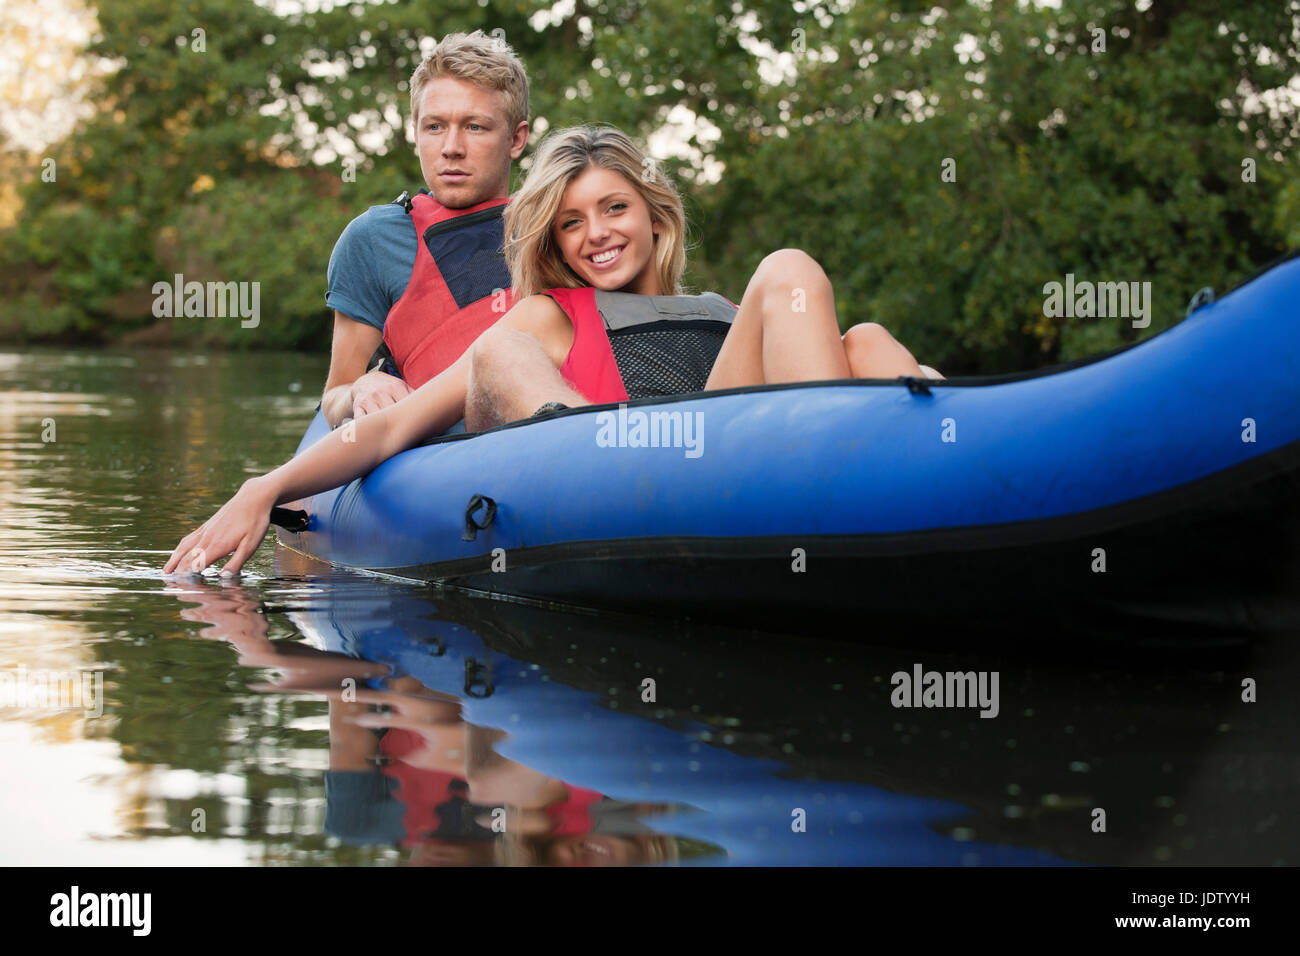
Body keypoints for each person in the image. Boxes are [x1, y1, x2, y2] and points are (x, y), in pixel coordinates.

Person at [164, 125, 939, 578]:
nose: (597, 233)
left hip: (750, 454)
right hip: (631, 474)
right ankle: (848, 501)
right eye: (571, 222)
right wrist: (266, 488)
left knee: (861, 337)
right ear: (552, 241)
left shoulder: (724, 311)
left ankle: (940, 462)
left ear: (654, 214)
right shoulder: (548, 316)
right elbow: (395, 429)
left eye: (614, 208)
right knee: (790, 267)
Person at [319, 31, 529, 428]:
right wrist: (362, 387)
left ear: (516, 139)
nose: (451, 147)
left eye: (475, 127)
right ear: (415, 132)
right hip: (432, 458)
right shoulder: (373, 239)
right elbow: (334, 397)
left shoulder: (559, 228)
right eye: (434, 127)